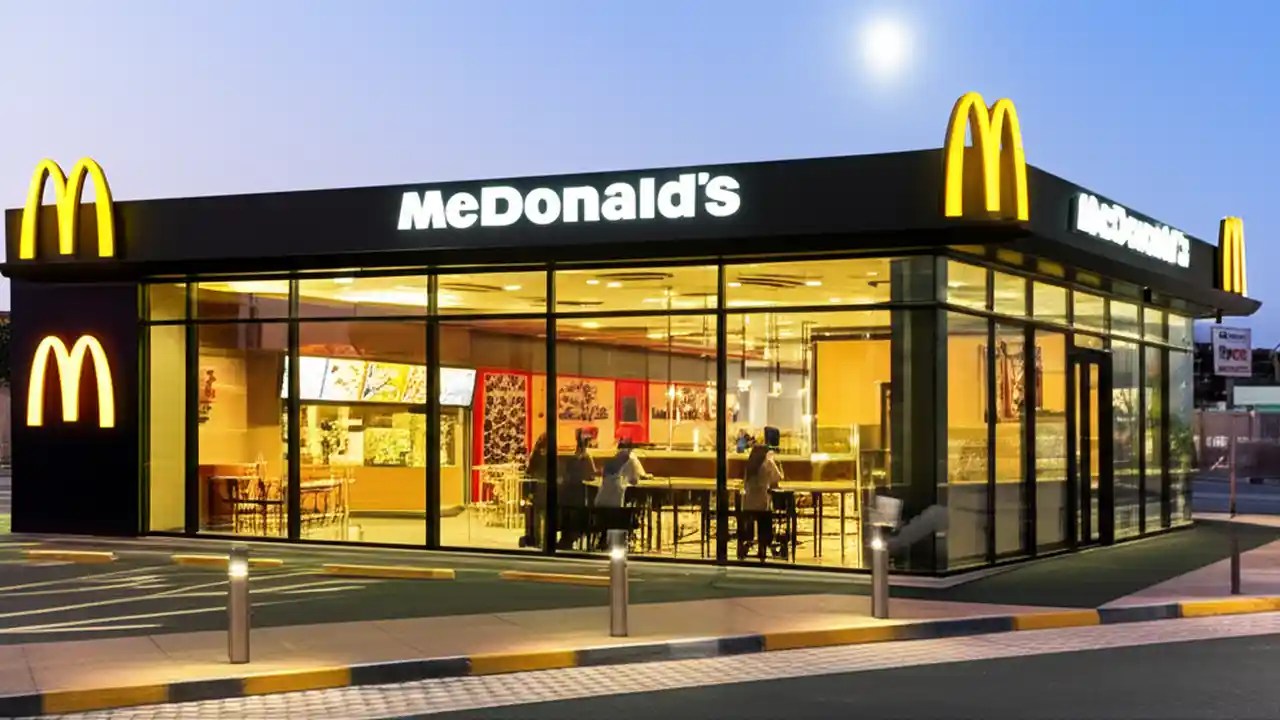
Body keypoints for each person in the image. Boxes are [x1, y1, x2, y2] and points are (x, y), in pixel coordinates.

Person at [738, 442, 783, 561]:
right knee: (766, 515)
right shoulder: (767, 463)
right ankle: (764, 544)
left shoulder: (749, 465)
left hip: (747, 504)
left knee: (751, 517)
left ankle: (746, 542)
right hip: (762, 503)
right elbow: (777, 478)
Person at [557, 434, 595, 549]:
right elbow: (590, 474)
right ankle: (571, 538)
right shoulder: (586, 459)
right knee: (576, 516)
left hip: (568, 493)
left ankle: (566, 539)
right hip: (579, 493)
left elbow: (566, 475)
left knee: (567, 516)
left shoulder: (572, 459)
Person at [519, 434, 549, 548]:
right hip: (542, 491)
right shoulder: (547, 457)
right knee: (543, 516)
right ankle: (542, 541)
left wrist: (528, 493)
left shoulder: (535, 456)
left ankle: (537, 540)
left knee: (537, 516)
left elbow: (529, 473)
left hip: (537, 491)